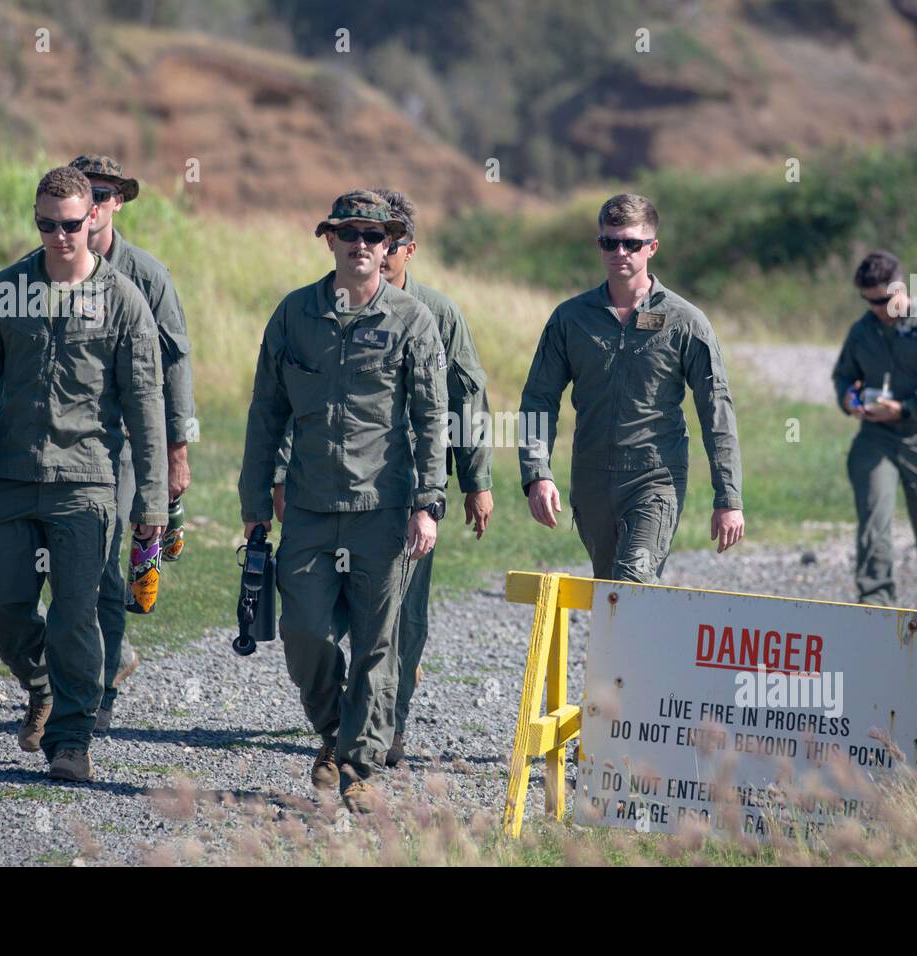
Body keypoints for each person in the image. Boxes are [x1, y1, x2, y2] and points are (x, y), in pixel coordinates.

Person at [0, 166, 168, 782]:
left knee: (76, 613)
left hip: (88, 482)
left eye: (70, 224)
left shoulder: (124, 300)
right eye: (47, 224)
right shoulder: (5, 290)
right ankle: (41, 683)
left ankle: (71, 740)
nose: (60, 236)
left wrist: (151, 499)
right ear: (36, 220)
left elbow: (146, 402)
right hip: (11, 477)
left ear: (93, 216)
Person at [238, 190, 449, 814]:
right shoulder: (294, 314)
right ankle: (333, 733)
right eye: (349, 233)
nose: (361, 245)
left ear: (389, 247)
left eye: (374, 236)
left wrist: (427, 503)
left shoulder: (413, 321)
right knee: (303, 633)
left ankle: (357, 765)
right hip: (306, 505)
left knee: (378, 642)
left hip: (383, 508)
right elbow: (265, 412)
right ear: (329, 239)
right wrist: (256, 498)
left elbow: (431, 418)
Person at [272, 187, 493, 768]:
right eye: (357, 237)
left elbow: (462, 401)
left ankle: (380, 732)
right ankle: (347, 723)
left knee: (398, 625)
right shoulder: (307, 312)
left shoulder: (433, 316)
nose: (372, 252)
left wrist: (472, 481)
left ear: (404, 248)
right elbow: (291, 405)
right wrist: (273, 476)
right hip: (324, 494)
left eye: (383, 242)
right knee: (319, 622)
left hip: (402, 493)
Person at [0, 155, 195, 733]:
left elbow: (167, 371)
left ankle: (94, 698)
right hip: (33, 452)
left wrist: (176, 451)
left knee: (101, 579)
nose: (86, 209)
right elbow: (5, 371)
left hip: (117, 447)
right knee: (21, 580)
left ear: (115, 203)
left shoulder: (144, 277)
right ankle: (67, 678)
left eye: (102, 194)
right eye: (82, 194)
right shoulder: (26, 278)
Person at [518, 193, 744, 582]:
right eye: (610, 242)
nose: (620, 251)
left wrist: (729, 498)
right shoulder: (571, 319)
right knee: (609, 592)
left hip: (654, 477)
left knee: (632, 581)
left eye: (632, 243)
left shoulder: (684, 321)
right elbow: (539, 398)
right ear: (599, 245)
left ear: (651, 247)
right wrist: (537, 472)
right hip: (591, 480)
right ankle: (636, 645)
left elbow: (715, 408)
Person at [832, 250, 917, 610]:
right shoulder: (862, 331)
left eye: (884, 300)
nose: (877, 308)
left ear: (901, 288)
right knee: (874, 516)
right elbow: (844, 374)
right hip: (877, 437)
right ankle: (876, 601)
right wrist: (848, 400)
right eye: (869, 301)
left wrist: (905, 408)